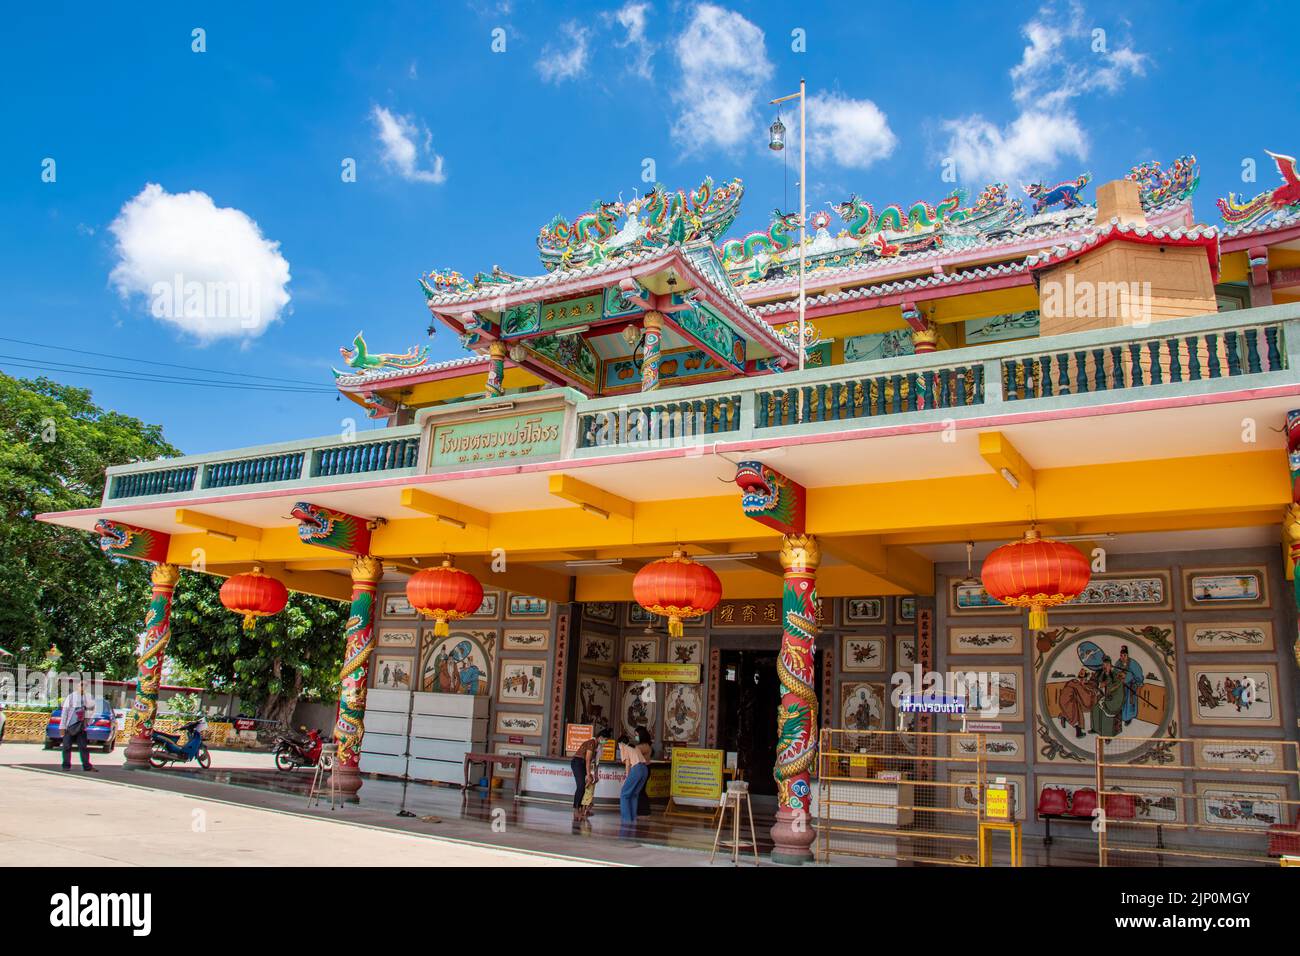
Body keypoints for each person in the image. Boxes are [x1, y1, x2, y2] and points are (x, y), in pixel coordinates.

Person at [571, 726, 609, 822]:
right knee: (580, 786)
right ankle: (576, 809)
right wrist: (588, 774)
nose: (605, 741)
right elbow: (588, 759)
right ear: (600, 737)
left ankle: (581, 808)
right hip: (578, 762)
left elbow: (595, 762)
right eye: (605, 739)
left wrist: (594, 775)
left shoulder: (598, 746)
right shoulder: (591, 743)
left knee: (585, 786)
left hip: (583, 764)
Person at [60, 679, 98, 772]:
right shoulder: (71, 697)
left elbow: (93, 711)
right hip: (70, 725)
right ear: (77, 686)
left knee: (83, 747)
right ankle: (66, 766)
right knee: (66, 746)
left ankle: (87, 766)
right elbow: (64, 712)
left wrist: (88, 723)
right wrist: (62, 727)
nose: (82, 687)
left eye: (84, 686)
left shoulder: (89, 697)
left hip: (81, 727)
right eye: (81, 685)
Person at [618, 732, 649, 826]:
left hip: (637, 769)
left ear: (621, 743)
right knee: (634, 795)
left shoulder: (624, 747)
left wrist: (627, 778)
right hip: (644, 769)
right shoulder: (634, 747)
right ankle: (632, 818)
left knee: (624, 794)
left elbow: (628, 764)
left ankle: (626, 819)